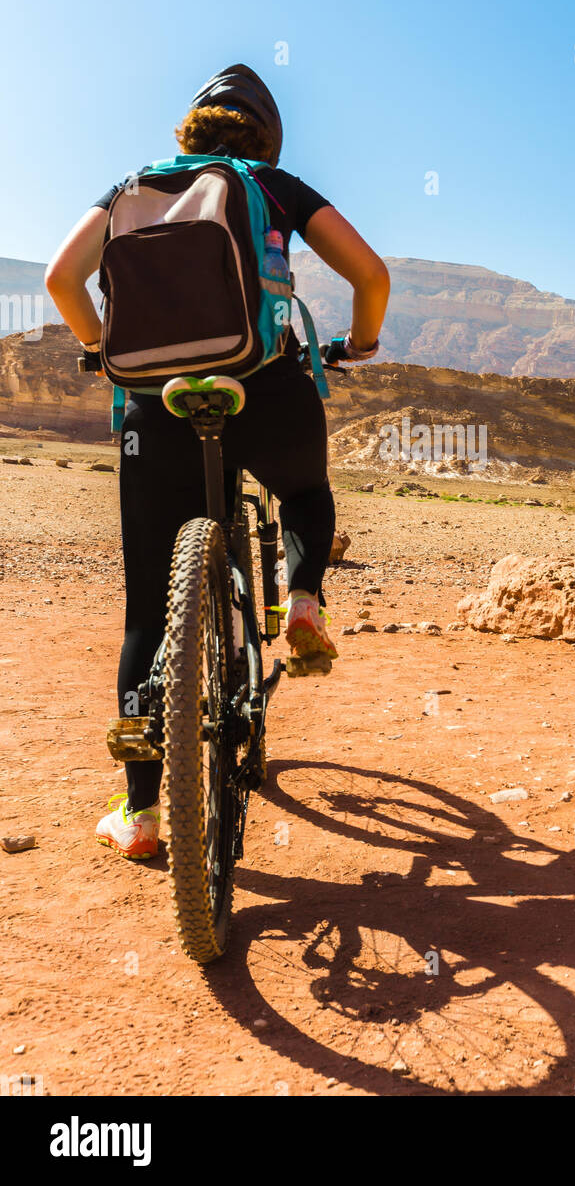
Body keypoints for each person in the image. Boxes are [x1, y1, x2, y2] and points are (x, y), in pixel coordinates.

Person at [45, 64, 390, 858]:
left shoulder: (130, 187)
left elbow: (62, 278)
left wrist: (102, 351)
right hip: (265, 388)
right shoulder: (274, 183)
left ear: (188, 130)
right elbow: (370, 273)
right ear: (264, 133)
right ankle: (302, 600)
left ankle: (140, 816)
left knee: (146, 610)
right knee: (304, 489)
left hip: (156, 404)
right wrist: (359, 343)